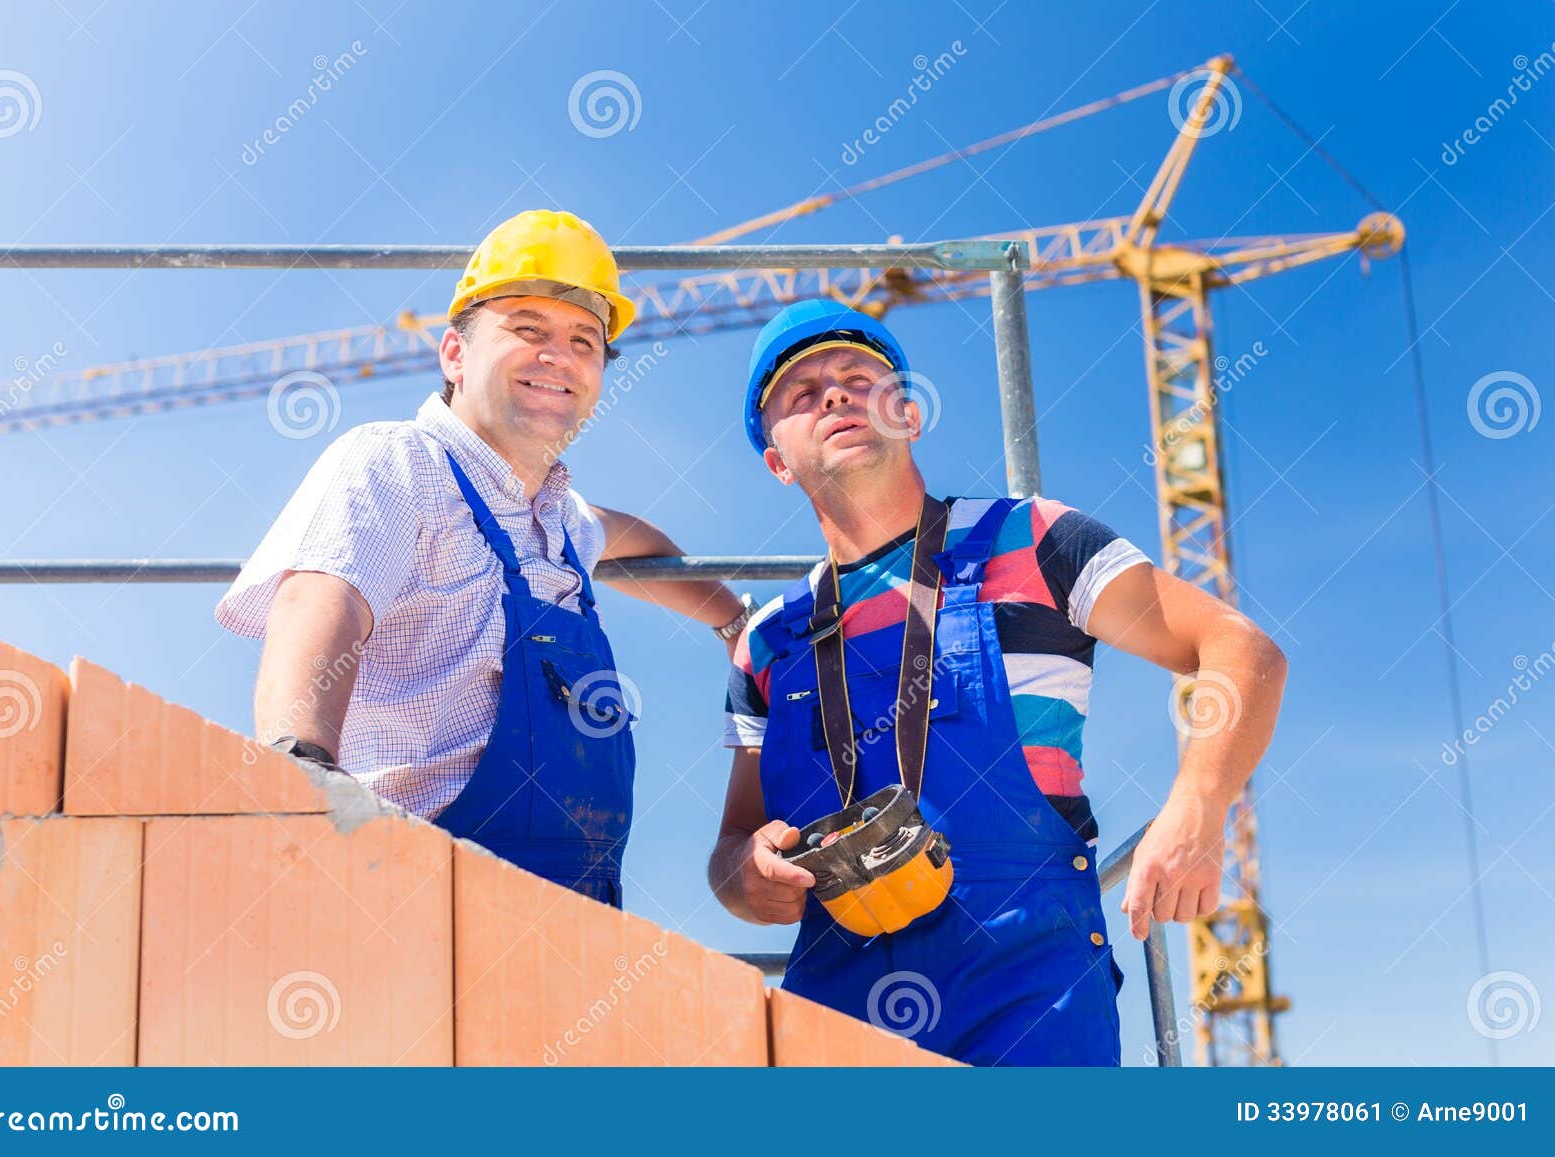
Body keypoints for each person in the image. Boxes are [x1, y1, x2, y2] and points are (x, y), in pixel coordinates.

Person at [709, 299, 1287, 1064]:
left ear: (909, 413)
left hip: (1031, 1012)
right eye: (803, 392)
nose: (836, 393)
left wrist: (1198, 807)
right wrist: (746, 876)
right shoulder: (766, 642)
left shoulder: (1034, 540)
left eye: (858, 375)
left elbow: (1240, 650)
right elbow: (732, 845)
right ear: (778, 461)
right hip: (836, 1030)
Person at [217, 209, 756, 908]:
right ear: (454, 354)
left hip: (575, 919)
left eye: (584, 341)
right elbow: (323, 597)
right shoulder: (399, 462)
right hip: (408, 895)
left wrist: (733, 623)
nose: (559, 357)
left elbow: (638, 542)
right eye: (528, 330)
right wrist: (301, 771)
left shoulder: (561, 522)